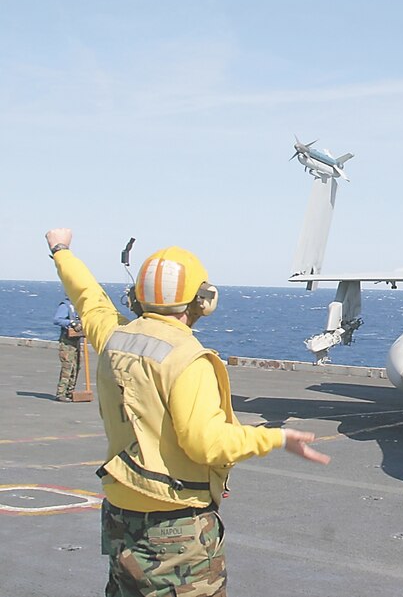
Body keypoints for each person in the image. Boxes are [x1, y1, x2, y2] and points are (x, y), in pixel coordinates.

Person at [45, 228, 331, 597]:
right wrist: (275, 437)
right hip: (176, 532)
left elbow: (89, 298)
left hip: (120, 516)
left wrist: (61, 250)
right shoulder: (188, 358)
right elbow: (207, 444)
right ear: (202, 302)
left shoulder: (116, 338)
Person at [52, 294, 82, 401]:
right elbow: (57, 319)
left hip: (76, 340)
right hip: (67, 341)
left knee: (76, 366)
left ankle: (70, 391)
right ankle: (61, 393)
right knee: (67, 367)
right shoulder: (65, 306)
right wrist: (72, 323)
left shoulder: (79, 305)